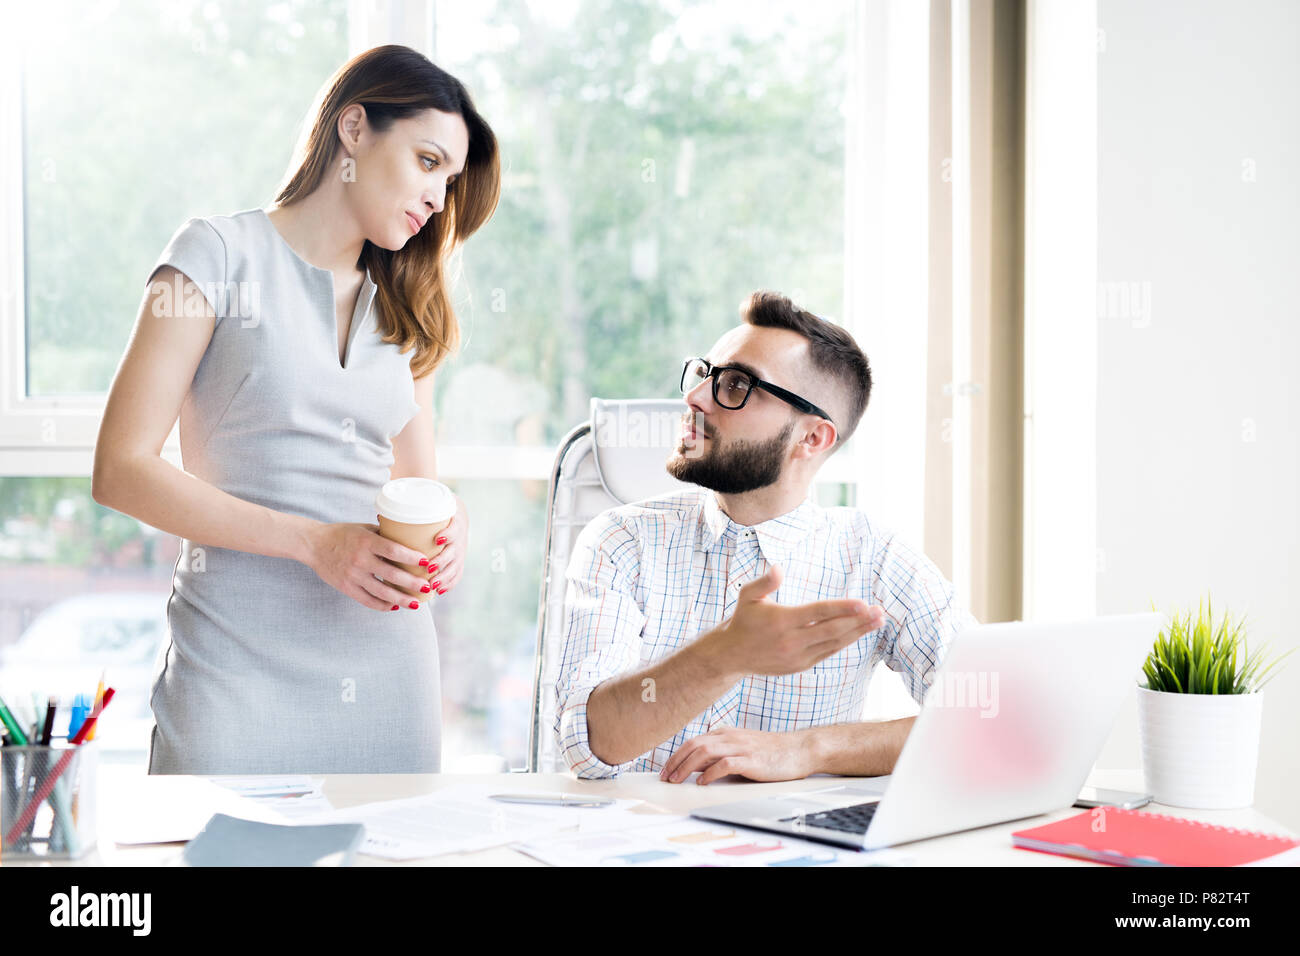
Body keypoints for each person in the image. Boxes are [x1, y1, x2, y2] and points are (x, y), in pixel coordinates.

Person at [91, 45, 501, 773]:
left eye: (452, 181)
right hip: (233, 671)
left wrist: (453, 520)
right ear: (353, 129)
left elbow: (417, 485)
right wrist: (315, 543)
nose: (440, 198)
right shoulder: (212, 254)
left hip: (388, 672)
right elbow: (120, 470)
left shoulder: (414, 307)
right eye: (428, 161)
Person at [555, 290, 979, 783]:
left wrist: (811, 749)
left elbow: (992, 712)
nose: (694, 398)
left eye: (735, 385)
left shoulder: (873, 557)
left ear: (812, 438)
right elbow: (588, 746)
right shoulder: (622, 540)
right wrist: (727, 653)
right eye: (703, 374)